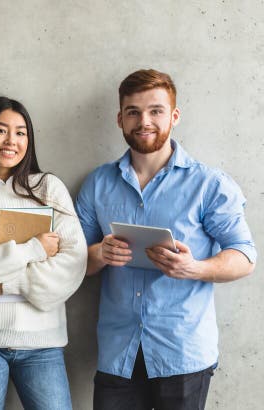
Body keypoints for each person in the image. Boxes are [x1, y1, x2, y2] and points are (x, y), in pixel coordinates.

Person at [76, 69, 257, 410]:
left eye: (156, 110)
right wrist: (100, 253)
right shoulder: (97, 184)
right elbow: (74, 263)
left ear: (174, 116)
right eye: (133, 112)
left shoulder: (210, 184)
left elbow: (245, 256)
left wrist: (194, 267)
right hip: (118, 355)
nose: (144, 121)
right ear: (120, 119)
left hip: (184, 353)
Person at [0, 97, 87, 410]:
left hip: (42, 343)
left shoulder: (48, 188)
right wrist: (35, 248)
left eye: (21, 133)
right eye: (1, 131)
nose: (12, 141)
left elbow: (73, 264)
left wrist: (5, 285)